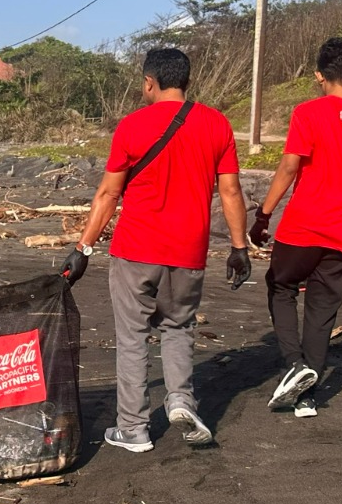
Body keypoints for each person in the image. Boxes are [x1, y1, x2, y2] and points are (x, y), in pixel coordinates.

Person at [64, 48, 251, 452]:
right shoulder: (217, 124)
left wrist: (83, 247)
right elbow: (231, 191)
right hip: (189, 251)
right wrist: (240, 246)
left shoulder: (132, 126)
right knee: (178, 328)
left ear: (150, 82)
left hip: (136, 249)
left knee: (133, 337)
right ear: (186, 80)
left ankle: (133, 428)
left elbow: (108, 193)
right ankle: (181, 399)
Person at [250, 37, 342, 416]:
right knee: (322, 311)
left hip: (305, 225)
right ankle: (307, 397)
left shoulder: (307, 113)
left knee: (281, 286)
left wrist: (263, 214)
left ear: (318, 75)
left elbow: (289, 166)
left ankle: (295, 365)